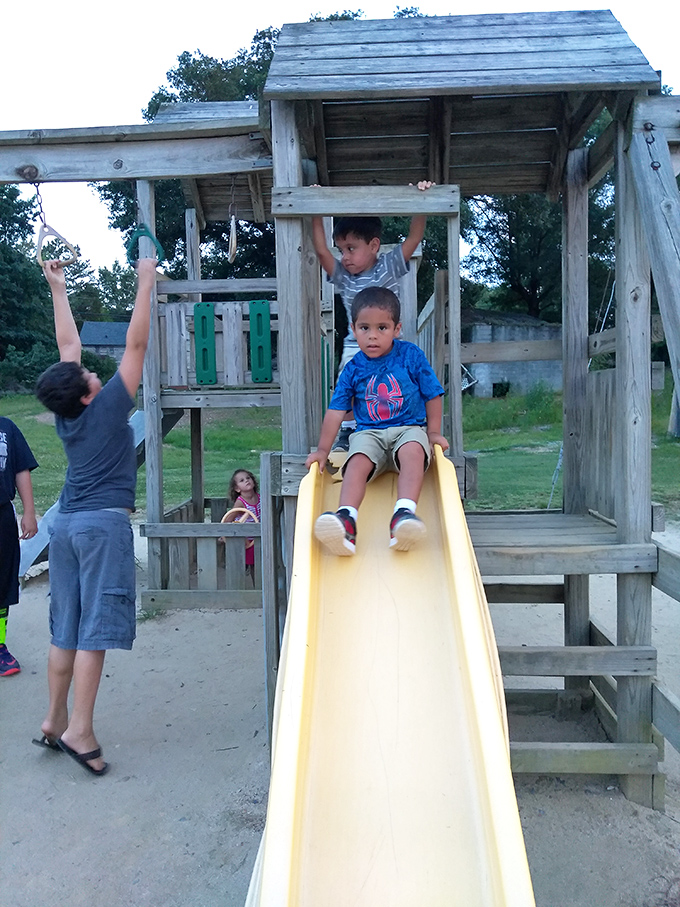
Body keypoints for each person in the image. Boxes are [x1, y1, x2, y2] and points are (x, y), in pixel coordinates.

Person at [33, 257, 157, 775]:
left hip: (64, 527)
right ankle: (80, 730)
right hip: (102, 527)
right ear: (88, 393)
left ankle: (53, 718)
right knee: (93, 633)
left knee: (66, 627)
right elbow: (137, 347)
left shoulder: (69, 415)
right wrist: (146, 279)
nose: (93, 371)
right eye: (90, 374)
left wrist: (57, 288)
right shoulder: (107, 407)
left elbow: (67, 349)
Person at [305, 285, 448, 555]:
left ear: (397, 329)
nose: (372, 336)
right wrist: (323, 450)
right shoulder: (353, 368)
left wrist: (433, 432)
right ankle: (346, 521)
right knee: (356, 460)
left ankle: (403, 515)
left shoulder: (410, 355)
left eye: (382, 328)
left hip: (408, 428)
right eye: (364, 328)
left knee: (413, 450)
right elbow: (336, 411)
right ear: (353, 328)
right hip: (369, 432)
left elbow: (433, 394)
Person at [311, 180, 434, 450]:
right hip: (356, 344)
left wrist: (420, 201)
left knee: (392, 384)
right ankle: (348, 431)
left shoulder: (388, 267)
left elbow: (413, 238)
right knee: (348, 389)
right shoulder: (343, 277)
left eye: (351, 248)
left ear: (374, 245)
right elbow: (321, 250)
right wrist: (315, 208)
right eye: (341, 250)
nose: (344, 257)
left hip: (388, 343)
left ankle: (400, 426)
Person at [0, 418, 38, 676]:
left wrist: (29, 511)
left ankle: (0, 646)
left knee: (2, 586)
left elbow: (21, 469)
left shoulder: (6, 428)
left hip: (1, 516)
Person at [225, 468, 261, 582]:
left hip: (259, 537)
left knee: (259, 563)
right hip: (246, 540)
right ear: (237, 489)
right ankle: (253, 587)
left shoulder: (260, 497)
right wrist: (225, 534)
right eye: (242, 480)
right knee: (249, 564)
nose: (246, 481)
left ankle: (259, 586)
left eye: (248, 478)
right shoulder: (241, 502)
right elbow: (228, 520)